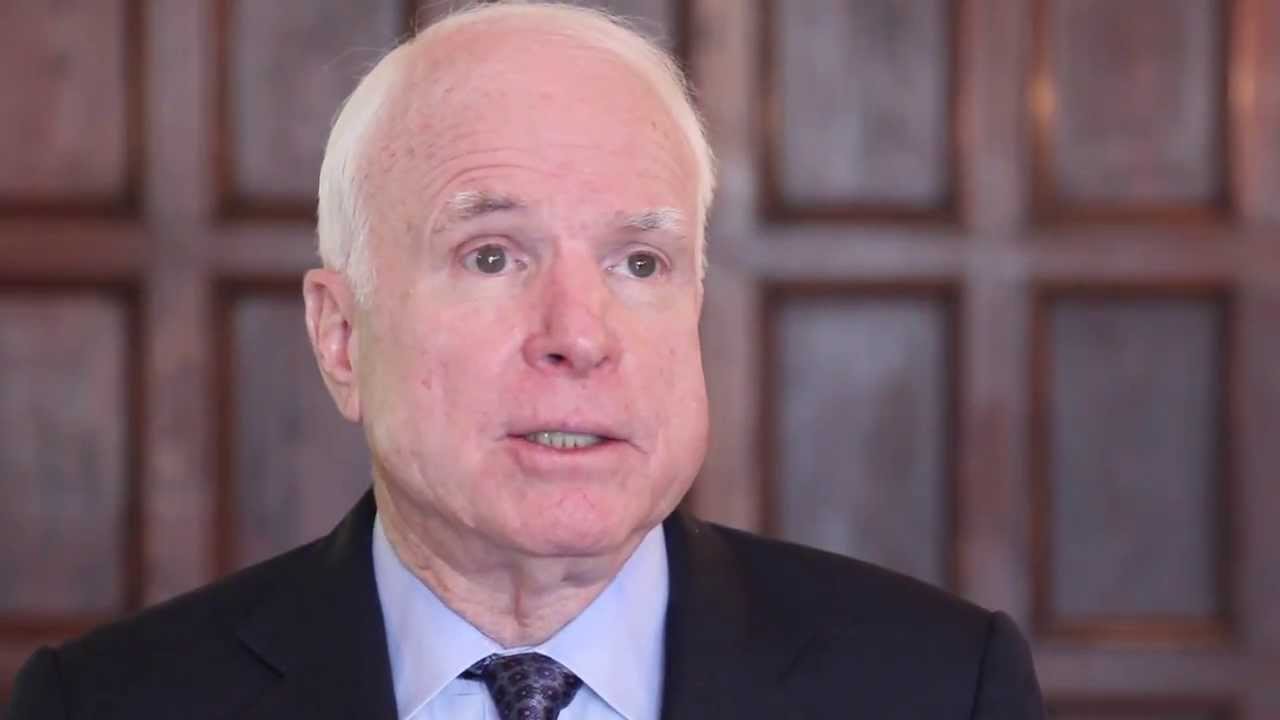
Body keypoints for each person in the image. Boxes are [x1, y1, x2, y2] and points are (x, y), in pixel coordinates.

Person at [6, 3, 1044, 718]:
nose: (578, 333)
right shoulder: (108, 703)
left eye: (639, 261)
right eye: (491, 254)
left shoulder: (937, 688)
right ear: (340, 336)